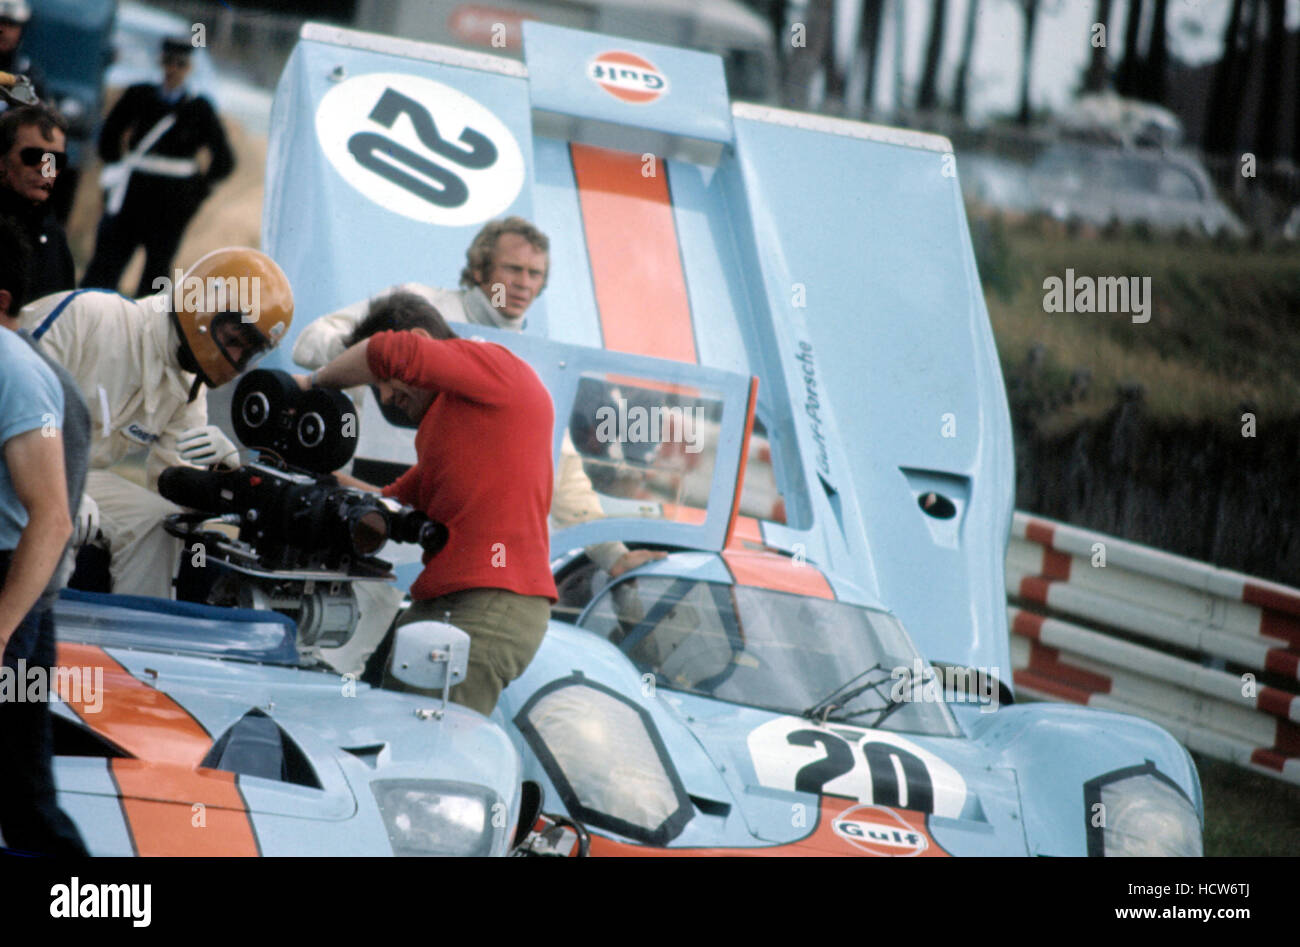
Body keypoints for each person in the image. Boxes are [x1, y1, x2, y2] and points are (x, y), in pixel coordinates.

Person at [293, 216, 663, 581]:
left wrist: (613, 555)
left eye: (534, 274)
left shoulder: (527, 363)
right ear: (479, 269)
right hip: (366, 515)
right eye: (513, 269)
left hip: (429, 539)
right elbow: (309, 341)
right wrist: (378, 366)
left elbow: (560, 467)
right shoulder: (418, 306)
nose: (523, 284)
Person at [299, 293, 556, 716]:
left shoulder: (497, 367)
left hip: (487, 604)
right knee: (402, 744)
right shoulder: (458, 423)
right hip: (449, 604)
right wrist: (306, 478)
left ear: (419, 339)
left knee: (429, 762)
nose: (384, 397)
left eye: (383, 379)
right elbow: (388, 505)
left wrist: (309, 385)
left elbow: (387, 351)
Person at [21, 247, 293, 599]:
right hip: (13, 462)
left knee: (157, 522)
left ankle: (134, 646)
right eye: (232, 340)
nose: (235, 357)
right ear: (203, 304)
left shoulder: (187, 387)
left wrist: (222, 473)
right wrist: (59, 489)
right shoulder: (93, 315)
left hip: (73, 481)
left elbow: (173, 493)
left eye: (247, 350)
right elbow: (19, 399)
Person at [0, 217, 89, 856]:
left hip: (14, 587)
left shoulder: (20, 373)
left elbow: (53, 517)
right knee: (26, 794)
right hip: (25, 600)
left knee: (27, 797)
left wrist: (3, 629)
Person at [81, 37, 234, 298]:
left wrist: (196, 191)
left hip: (172, 201)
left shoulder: (200, 108)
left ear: (189, 68)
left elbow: (225, 159)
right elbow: (109, 134)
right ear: (160, 63)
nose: (173, 69)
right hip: (133, 192)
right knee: (108, 262)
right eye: (168, 62)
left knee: (156, 272)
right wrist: (117, 167)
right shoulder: (138, 94)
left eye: (180, 64)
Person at [0, 105, 74, 300]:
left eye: (56, 159)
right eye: (32, 157)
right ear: (2, 160)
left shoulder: (53, 235)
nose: (46, 169)